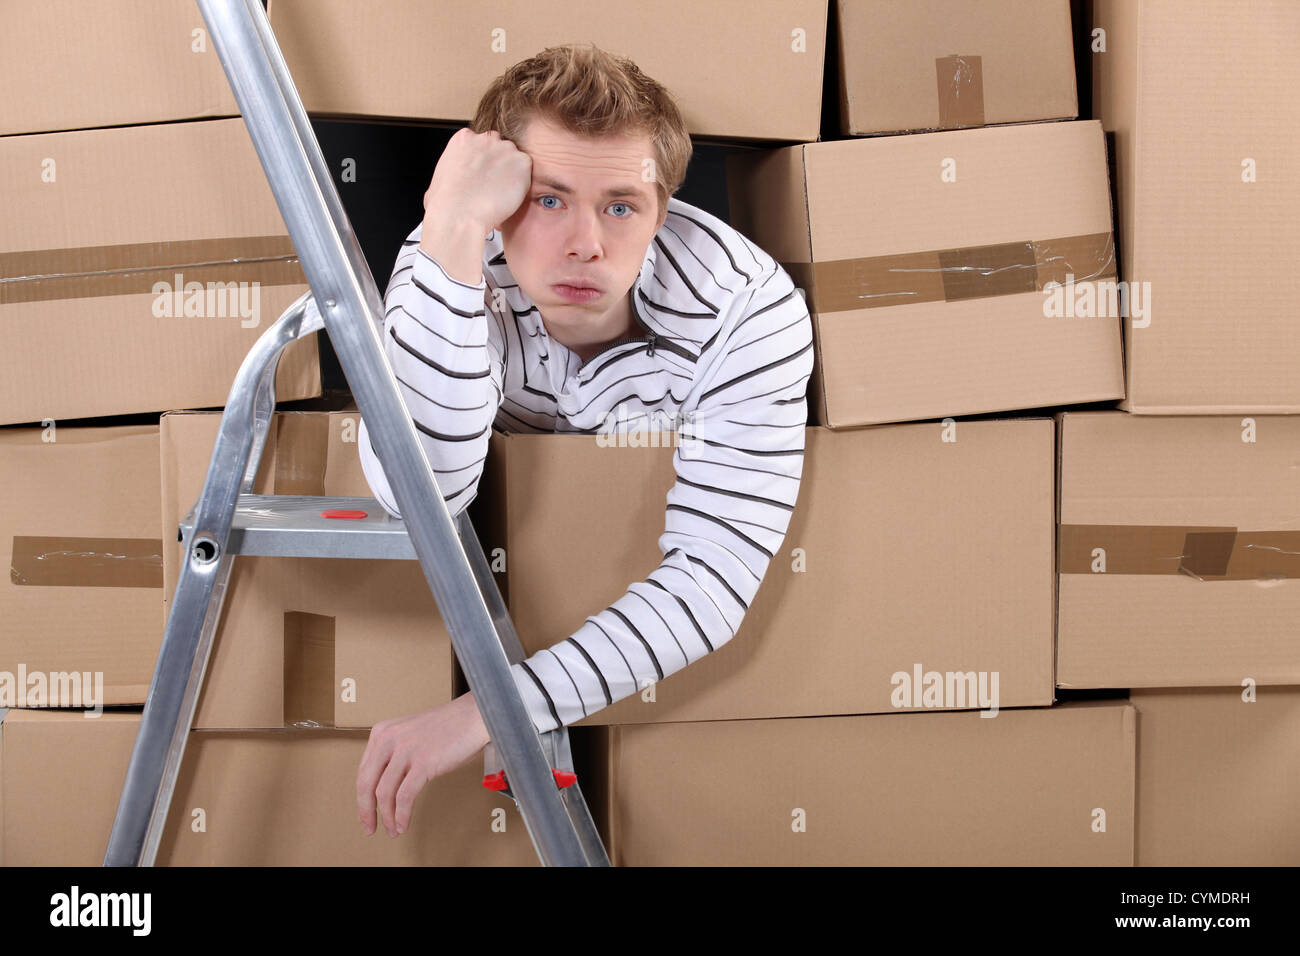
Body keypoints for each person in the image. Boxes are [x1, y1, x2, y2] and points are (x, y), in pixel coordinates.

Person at [354, 43, 813, 839]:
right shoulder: (451, 258)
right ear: (497, 197)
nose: (586, 244)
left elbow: (714, 579)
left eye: (621, 206)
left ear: (662, 211)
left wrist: (487, 713)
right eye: (548, 198)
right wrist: (454, 228)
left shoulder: (748, 309)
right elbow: (419, 495)